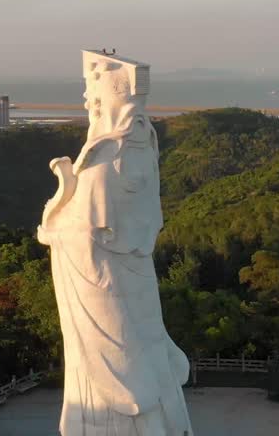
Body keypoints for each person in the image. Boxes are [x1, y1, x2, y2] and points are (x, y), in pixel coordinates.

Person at [38, 50, 193, 436]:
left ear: (104, 104)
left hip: (102, 278)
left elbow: (85, 232)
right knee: (148, 352)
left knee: (124, 369)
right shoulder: (144, 144)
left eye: (92, 102)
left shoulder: (108, 153)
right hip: (135, 274)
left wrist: (54, 218)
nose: (89, 108)